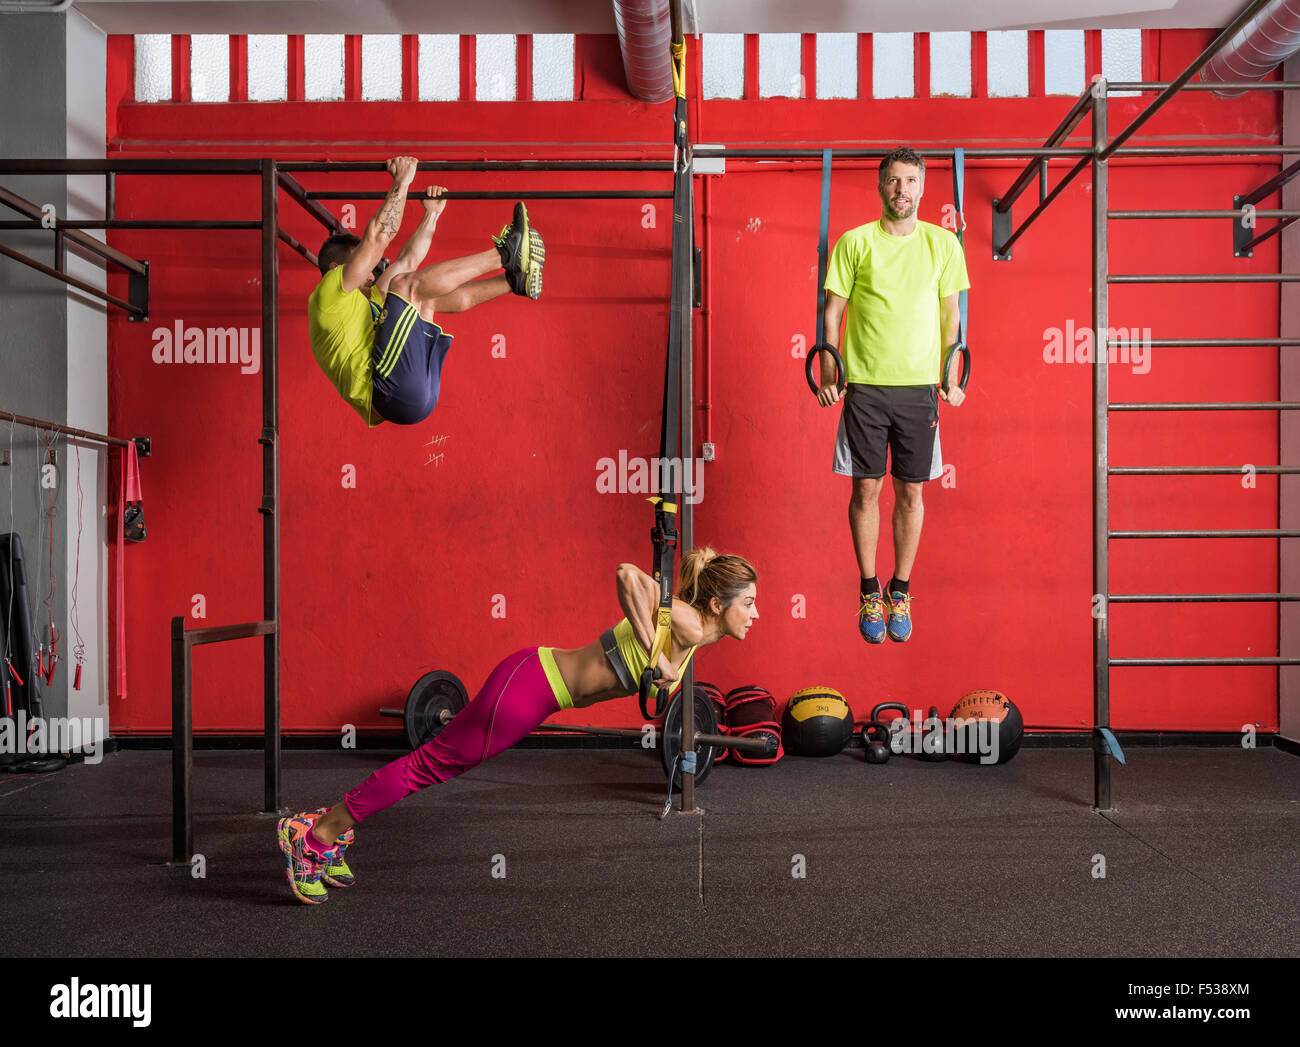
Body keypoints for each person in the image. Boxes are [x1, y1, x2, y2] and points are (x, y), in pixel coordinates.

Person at [276, 549, 759, 904]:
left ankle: (322, 826)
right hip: (529, 689)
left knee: (432, 762)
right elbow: (627, 574)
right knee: (431, 767)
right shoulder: (690, 624)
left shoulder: (696, 634)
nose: (756, 614)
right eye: (750, 603)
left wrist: (659, 662)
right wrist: (651, 641)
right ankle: (315, 836)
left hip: (532, 681)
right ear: (718, 605)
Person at [815, 145, 970, 645]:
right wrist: (828, 369)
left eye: (910, 181)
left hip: (919, 388)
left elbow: (952, 316)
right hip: (863, 386)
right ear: (880, 187)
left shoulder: (943, 244)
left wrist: (953, 374)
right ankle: (869, 587)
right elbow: (833, 314)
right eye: (893, 181)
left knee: (911, 492)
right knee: (865, 490)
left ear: (923, 188)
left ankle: (899, 589)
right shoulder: (854, 243)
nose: (901, 190)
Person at [307, 155, 545, 428]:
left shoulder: (369, 300)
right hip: (390, 391)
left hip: (415, 395)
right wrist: (403, 180)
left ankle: (513, 282)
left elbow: (408, 260)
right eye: (363, 268)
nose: (371, 275)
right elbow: (377, 238)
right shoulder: (328, 295)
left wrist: (432, 213)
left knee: (424, 299)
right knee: (404, 286)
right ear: (337, 268)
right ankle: (506, 254)